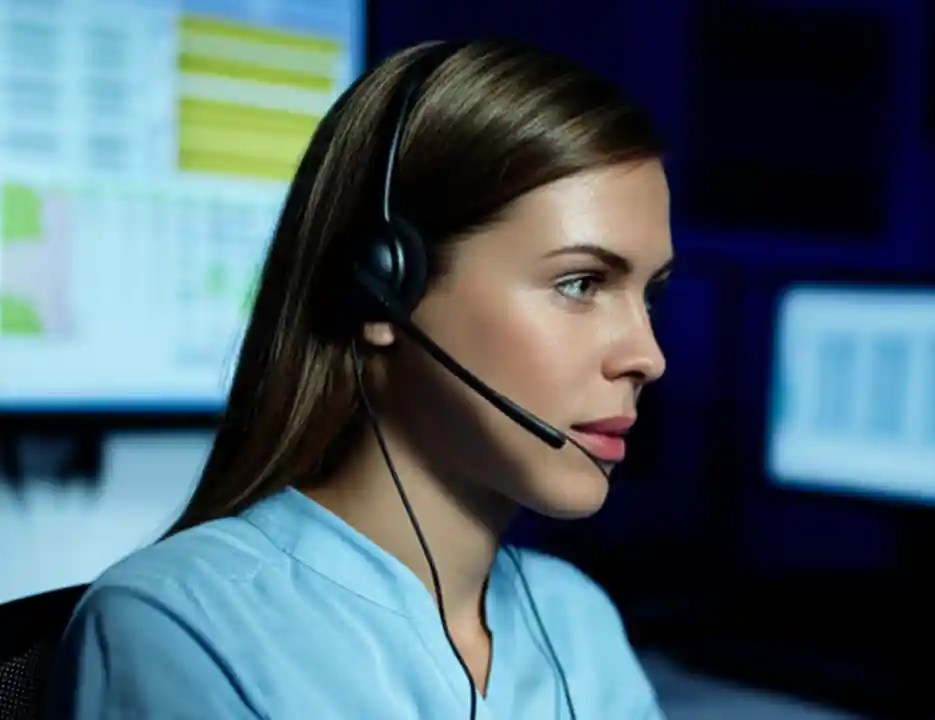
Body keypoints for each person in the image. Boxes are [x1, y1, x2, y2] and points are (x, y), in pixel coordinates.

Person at [46, 37, 673, 719]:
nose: (647, 355)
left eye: (651, 295)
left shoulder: (577, 622)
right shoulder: (181, 628)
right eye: (580, 283)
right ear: (383, 290)